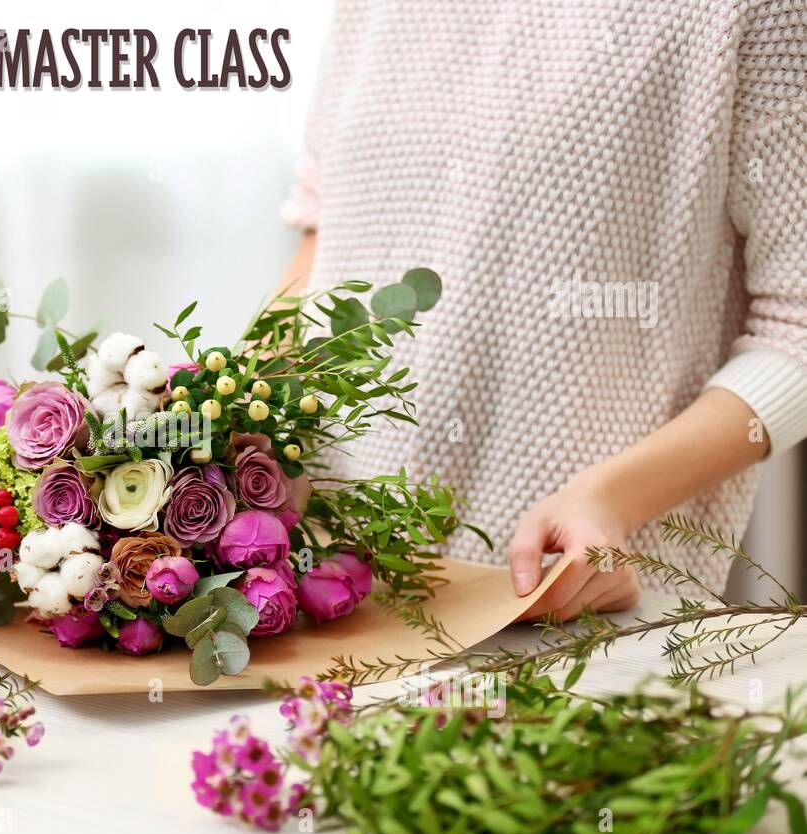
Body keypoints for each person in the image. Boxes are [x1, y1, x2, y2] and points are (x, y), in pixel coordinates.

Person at [279, 0, 807, 619]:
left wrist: (609, 499)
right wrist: (229, 412)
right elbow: (328, 235)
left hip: (573, 608)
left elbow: (794, 327)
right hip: (326, 593)